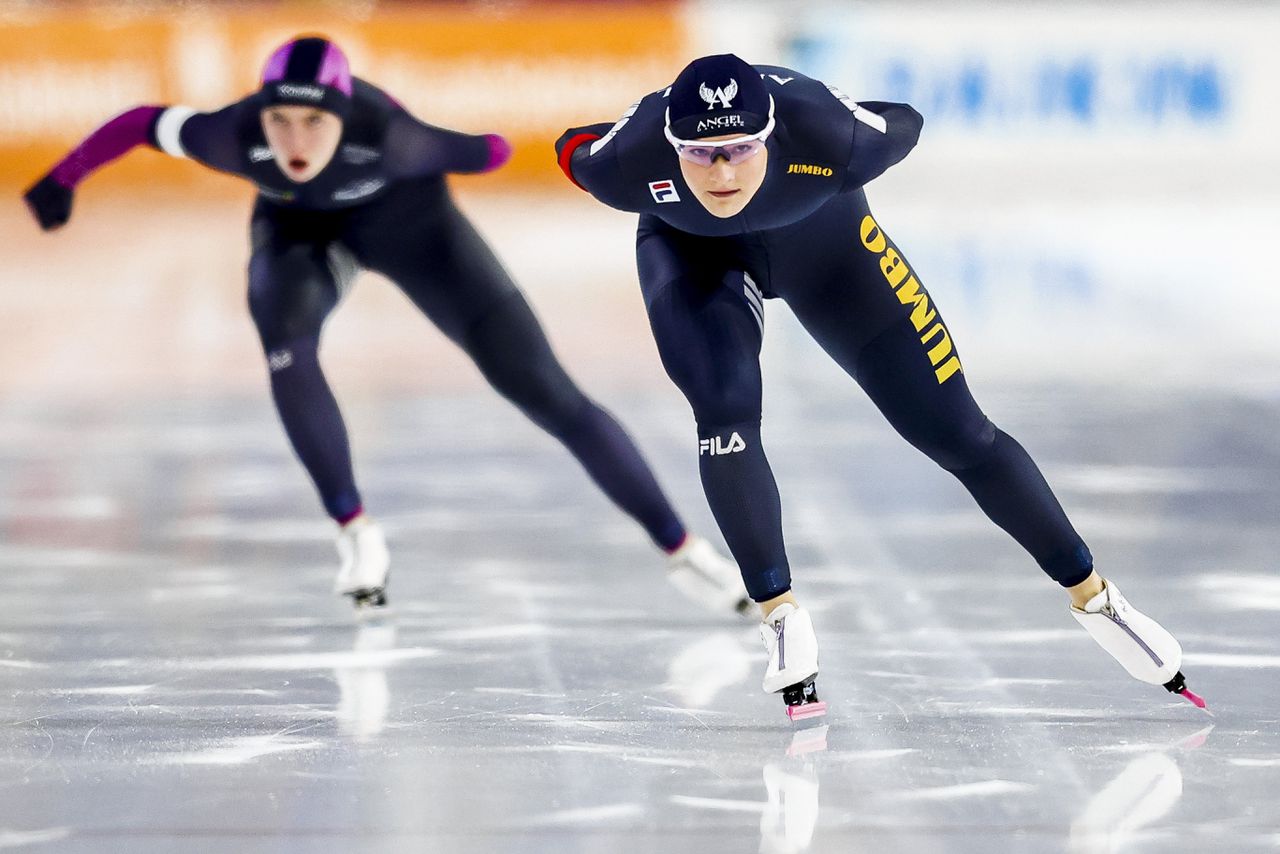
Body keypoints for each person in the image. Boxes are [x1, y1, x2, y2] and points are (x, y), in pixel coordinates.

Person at [556, 54, 1205, 719]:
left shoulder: (831, 132)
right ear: (672, 144)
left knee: (959, 432)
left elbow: (905, 119)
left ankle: (1094, 597)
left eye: (741, 149)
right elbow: (571, 146)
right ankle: (780, 616)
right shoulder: (626, 160)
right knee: (724, 409)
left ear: (772, 131)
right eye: (701, 153)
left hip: (831, 253)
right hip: (693, 257)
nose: (722, 172)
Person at [22, 35, 750, 616]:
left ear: (346, 115)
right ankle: (355, 532)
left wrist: (602, 157)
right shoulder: (229, 134)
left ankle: (684, 550)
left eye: (314, 121)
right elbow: (139, 123)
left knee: (546, 391)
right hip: (298, 238)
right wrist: (63, 178)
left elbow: (488, 150)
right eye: (280, 120)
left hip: (414, 230)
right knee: (286, 348)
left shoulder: (396, 138)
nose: (295, 141)